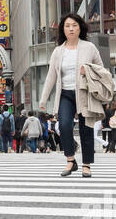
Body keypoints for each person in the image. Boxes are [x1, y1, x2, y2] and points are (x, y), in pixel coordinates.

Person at [39, 12, 106, 177]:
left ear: (80, 28)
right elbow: (51, 77)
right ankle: (71, 160)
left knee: (86, 128)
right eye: (67, 26)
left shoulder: (89, 47)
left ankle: (87, 164)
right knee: (64, 125)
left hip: (84, 93)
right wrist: (43, 100)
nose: (71, 29)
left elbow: (102, 69)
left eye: (74, 25)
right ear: (63, 29)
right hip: (65, 94)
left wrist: (88, 69)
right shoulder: (58, 51)